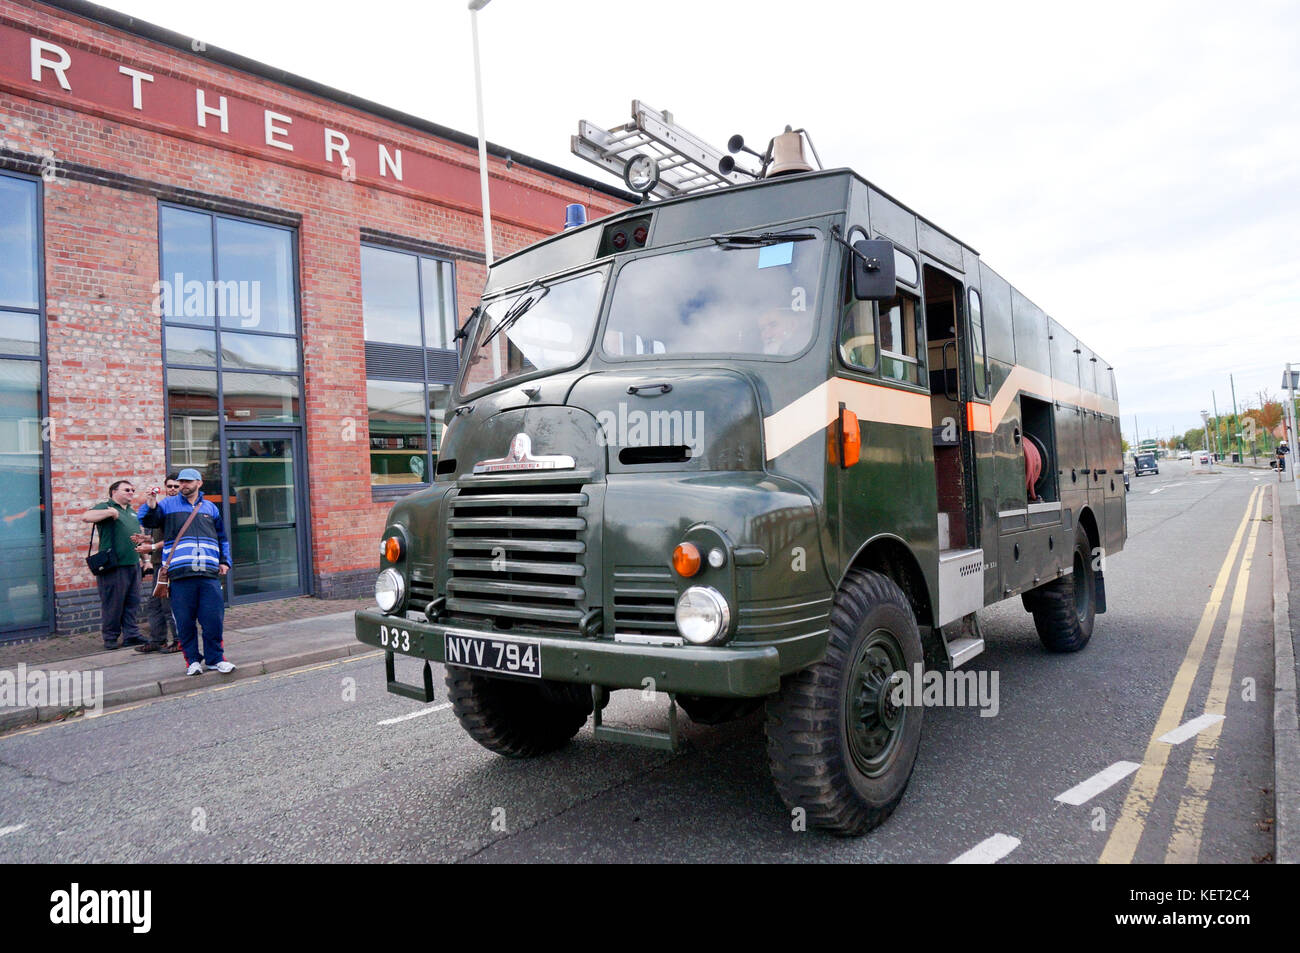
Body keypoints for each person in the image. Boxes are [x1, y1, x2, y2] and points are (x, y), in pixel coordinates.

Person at [140, 467, 234, 676]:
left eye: (188, 482)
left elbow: (222, 538)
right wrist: (151, 504)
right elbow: (148, 521)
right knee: (184, 622)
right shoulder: (166, 504)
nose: (183, 485)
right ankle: (192, 661)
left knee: (212, 620)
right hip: (180, 574)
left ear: (199, 483)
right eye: (181, 482)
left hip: (208, 572)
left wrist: (225, 561)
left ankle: (215, 659)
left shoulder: (210, 508)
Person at [80, 479, 145, 651]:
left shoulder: (131, 511)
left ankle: (131, 635)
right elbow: (86, 517)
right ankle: (110, 638)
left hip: (133, 564)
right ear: (114, 492)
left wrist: (144, 561)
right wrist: (110, 514)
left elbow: (138, 538)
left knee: (132, 602)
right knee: (113, 604)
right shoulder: (106, 506)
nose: (131, 492)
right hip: (114, 566)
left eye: (132, 489)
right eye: (127, 490)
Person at [133, 473, 181, 653]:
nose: (173, 490)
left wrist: (151, 546)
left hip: (170, 564)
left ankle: (179, 640)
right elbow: (162, 533)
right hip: (159, 563)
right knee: (154, 604)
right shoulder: (162, 508)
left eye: (176, 486)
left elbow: (176, 539)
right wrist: (147, 538)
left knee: (169, 605)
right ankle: (157, 640)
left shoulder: (180, 510)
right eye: (170, 486)